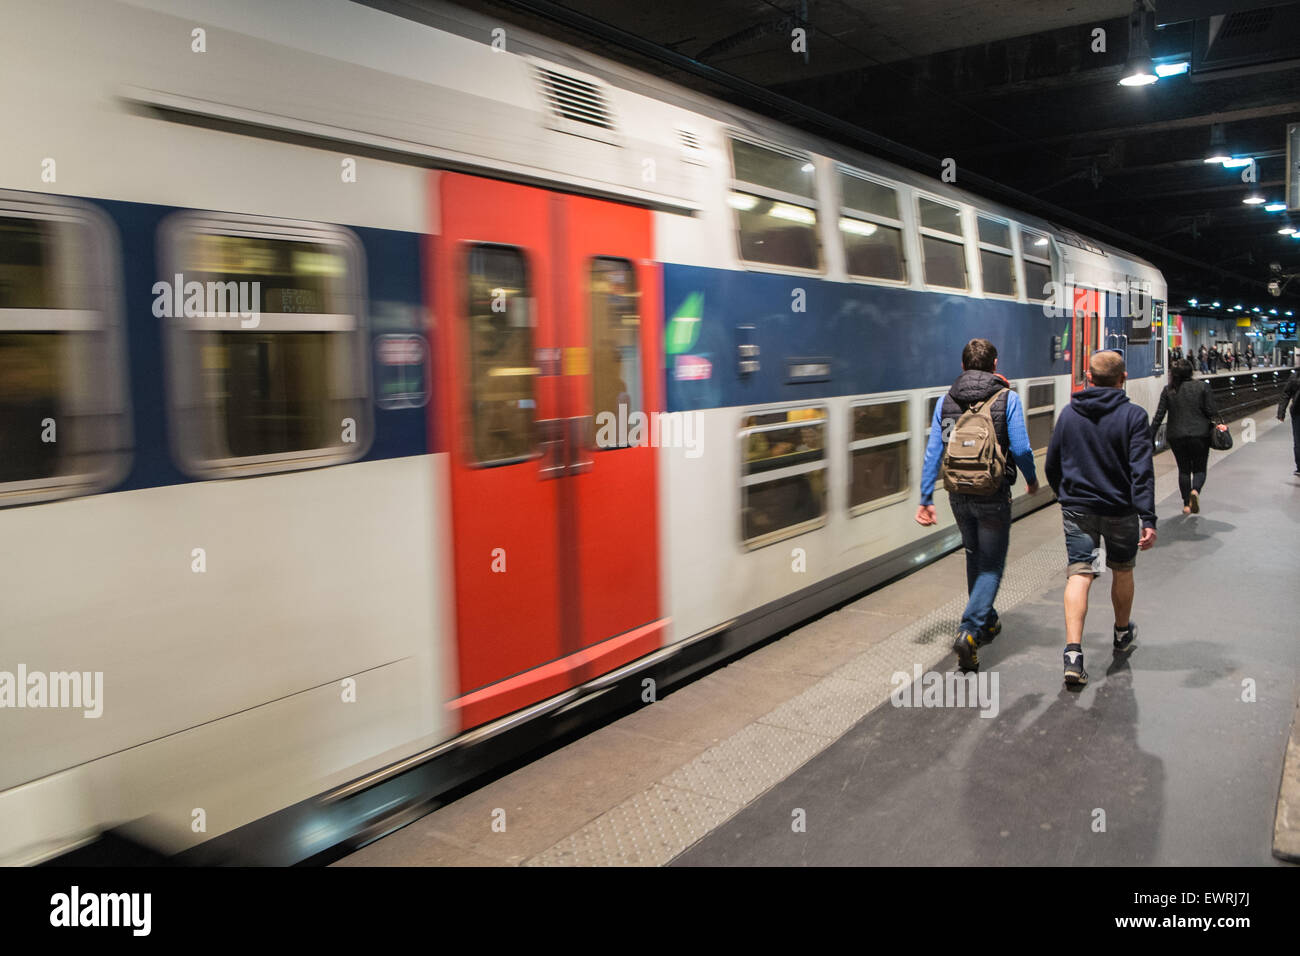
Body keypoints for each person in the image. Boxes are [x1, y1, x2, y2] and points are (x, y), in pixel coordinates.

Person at [916, 338, 1039, 673]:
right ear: (995, 365)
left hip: (958, 495)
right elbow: (1023, 448)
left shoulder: (947, 401)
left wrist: (926, 497)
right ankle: (969, 631)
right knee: (991, 565)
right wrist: (1031, 479)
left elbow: (934, 452)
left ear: (963, 366)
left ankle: (987, 621)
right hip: (993, 493)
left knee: (974, 555)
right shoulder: (1007, 398)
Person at [1045, 350, 1157, 686]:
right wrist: (1148, 517)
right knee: (1122, 569)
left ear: (1088, 378)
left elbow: (1053, 463)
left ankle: (1074, 655)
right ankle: (1122, 633)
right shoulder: (1134, 416)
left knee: (1081, 572)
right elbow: (1142, 471)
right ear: (1123, 379)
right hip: (1120, 510)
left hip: (1078, 509)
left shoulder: (1069, 414)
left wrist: (1065, 494)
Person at [1150, 358, 1221, 514]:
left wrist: (1149, 437)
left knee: (1183, 470)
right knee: (1199, 468)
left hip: (1177, 436)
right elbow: (1211, 411)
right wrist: (1219, 424)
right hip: (1200, 434)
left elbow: (1159, 416)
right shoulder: (1203, 387)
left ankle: (1186, 505)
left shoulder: (1168, 390)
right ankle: (1195, 491)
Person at [1279, 369, 1300, 477]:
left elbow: (1286, 394)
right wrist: (1281, 412)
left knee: (1298, 441)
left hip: (1297, 411)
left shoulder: (1294, 376)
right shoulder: (1294, 376)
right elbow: (1286, 394)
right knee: (1298, 441)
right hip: (1297, 413)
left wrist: (1281, 412)